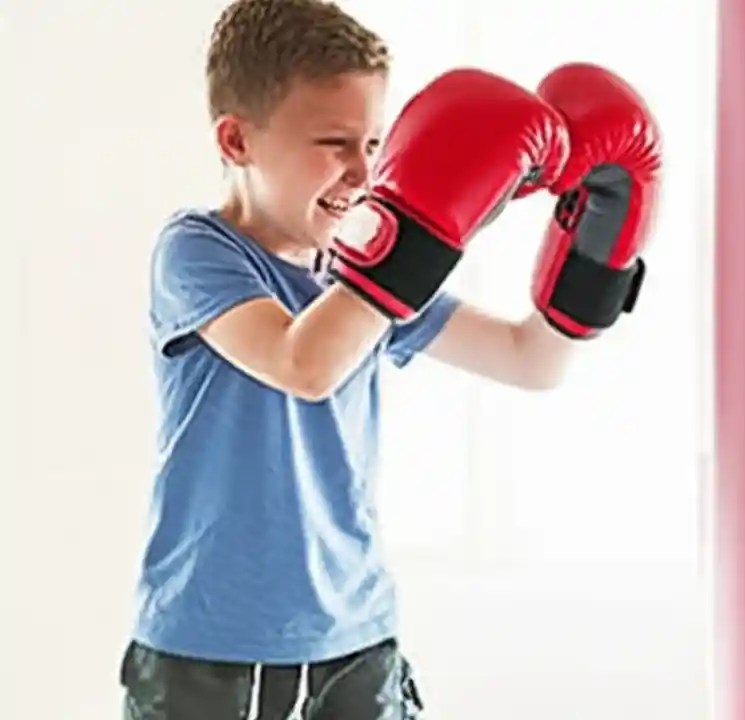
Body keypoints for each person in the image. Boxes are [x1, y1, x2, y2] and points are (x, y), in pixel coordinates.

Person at [118, 0, 661, 717]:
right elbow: (304, 364)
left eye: (376, 143)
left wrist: (600, 246)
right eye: (334, 142)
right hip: (213, 649)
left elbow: (531, 361)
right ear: (238, 139)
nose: (363, 170)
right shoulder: (197, 252)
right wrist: (417, 233)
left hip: (357, 641)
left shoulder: (356, 282)